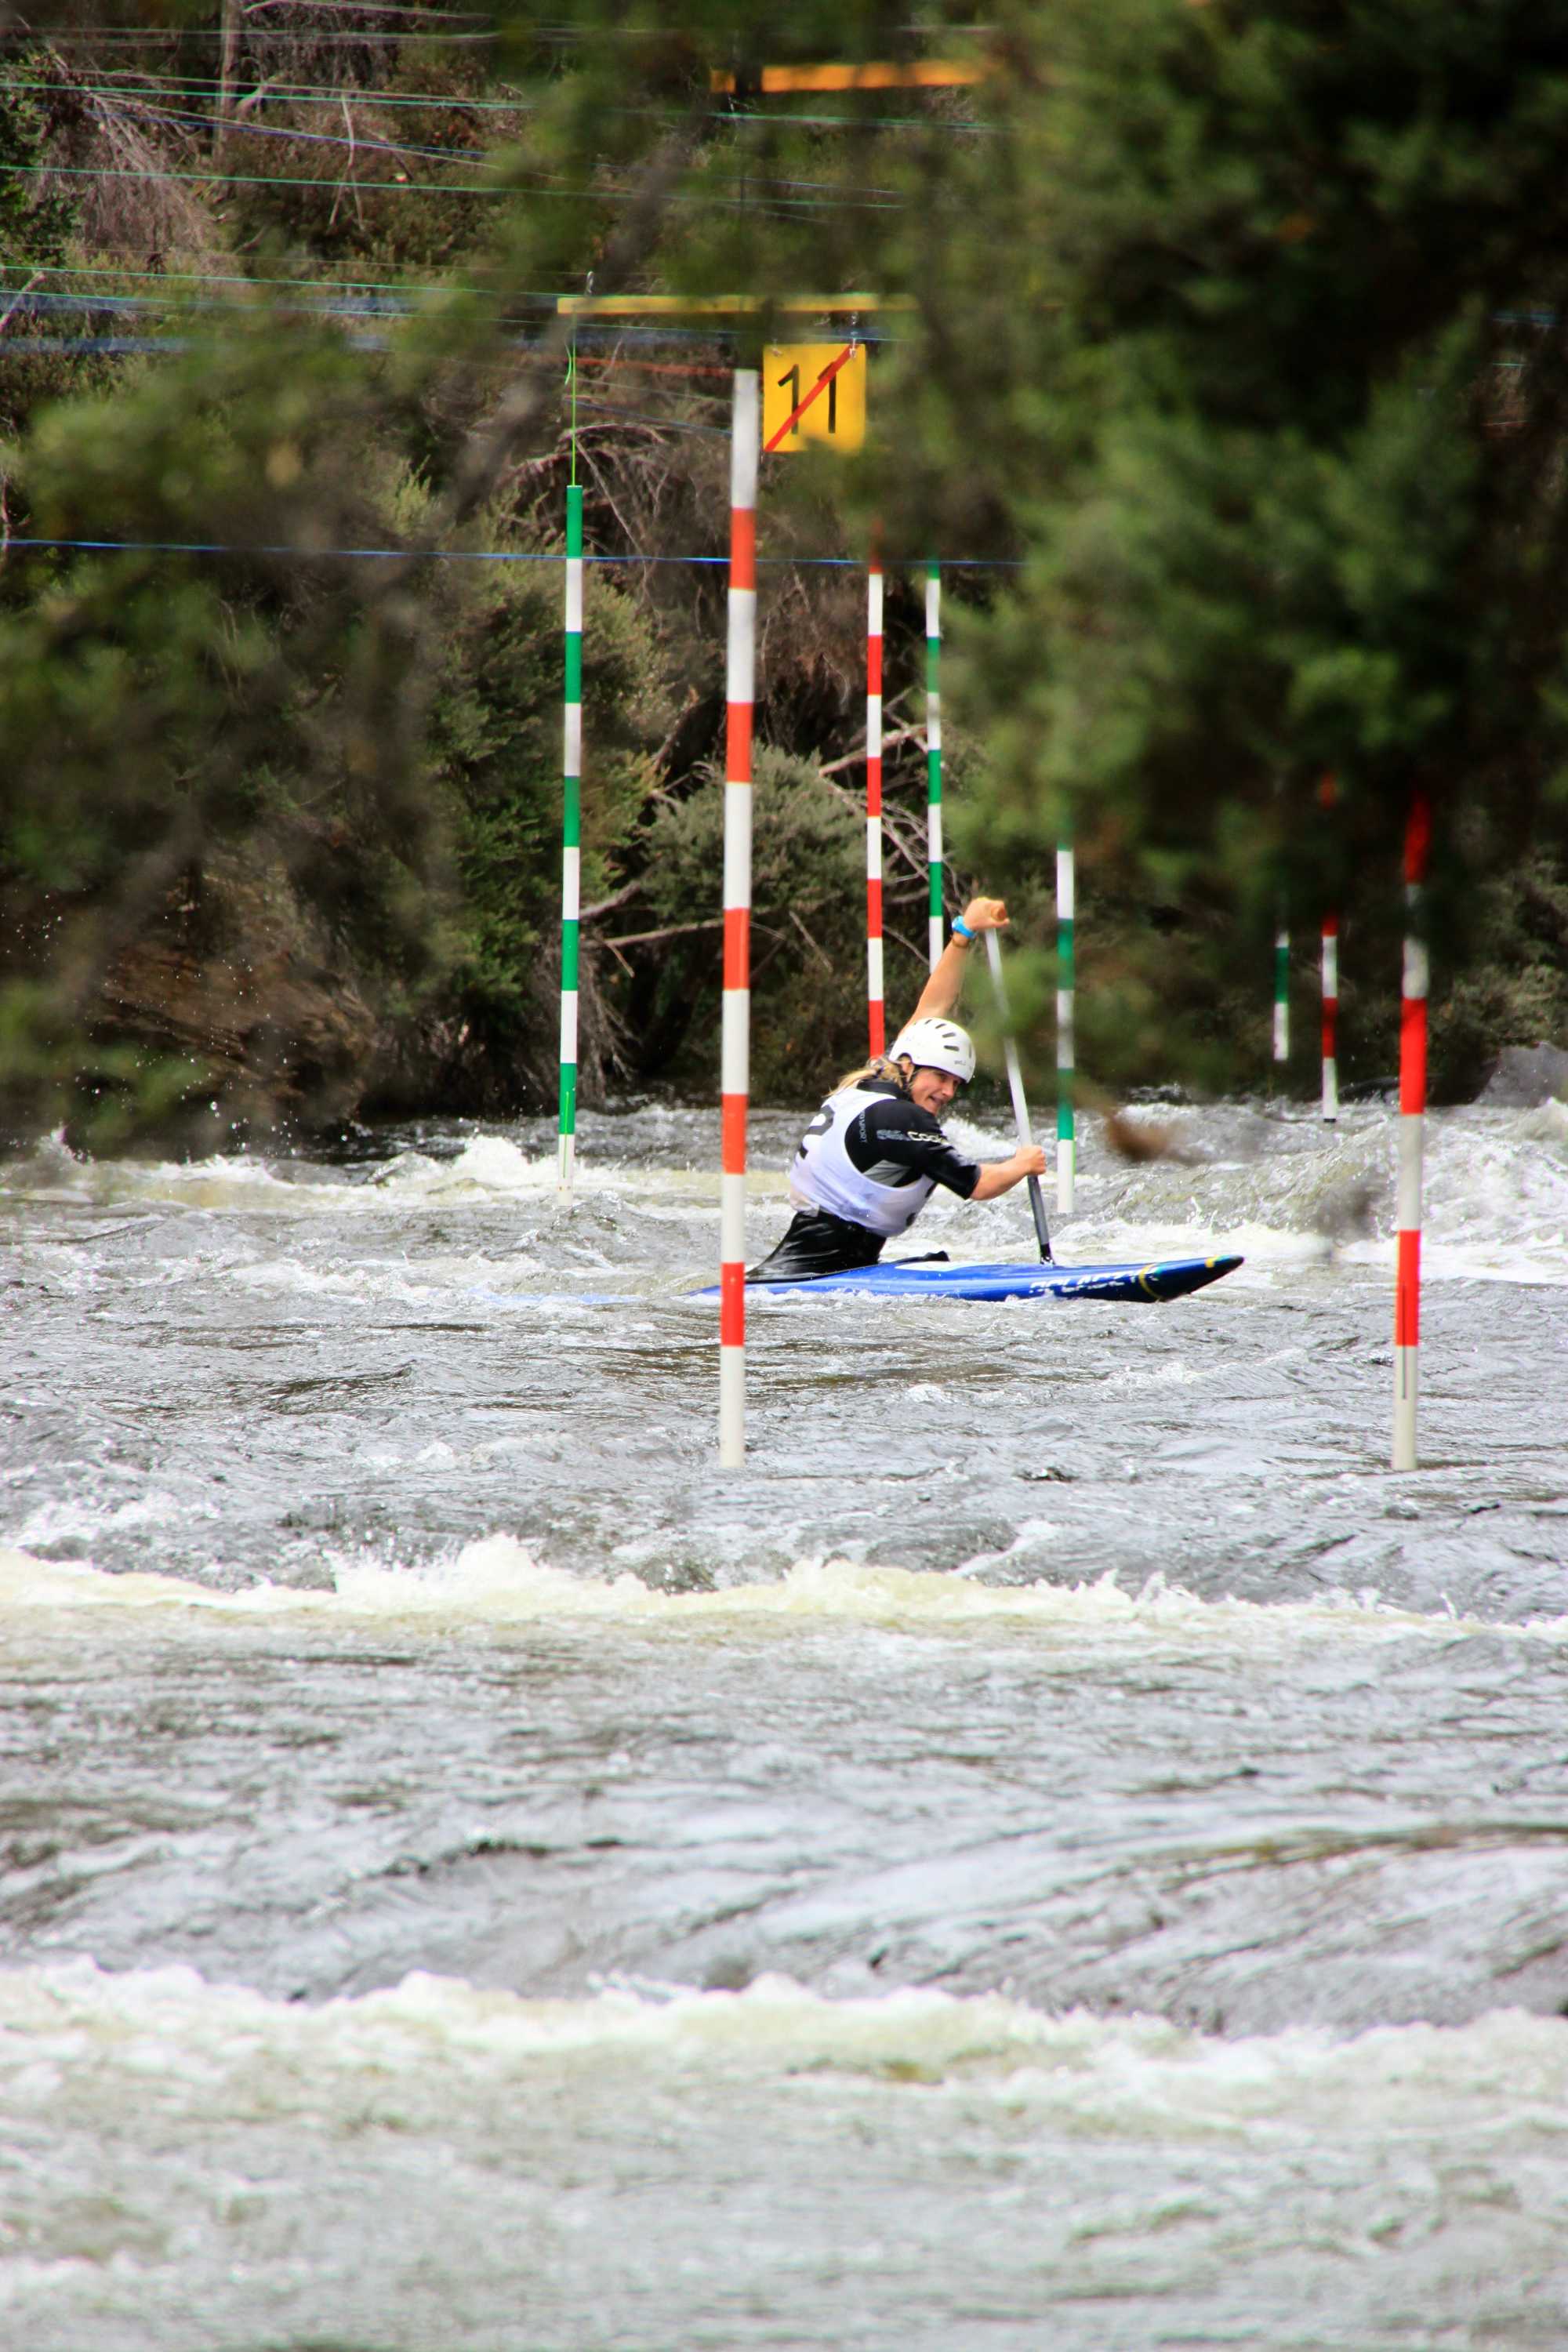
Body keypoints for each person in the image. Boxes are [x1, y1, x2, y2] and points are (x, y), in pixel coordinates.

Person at [747, 895, 1049, 1283]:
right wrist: (1022, 1164)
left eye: (956, 1083)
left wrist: (964, 933)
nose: (948, 1092)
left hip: (826, 1262)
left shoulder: (879, 1080)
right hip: (807, 1274)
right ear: (909, 1067)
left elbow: (933, 1008)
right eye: (941, 1078)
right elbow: (976, 1185)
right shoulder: (900, 1117)